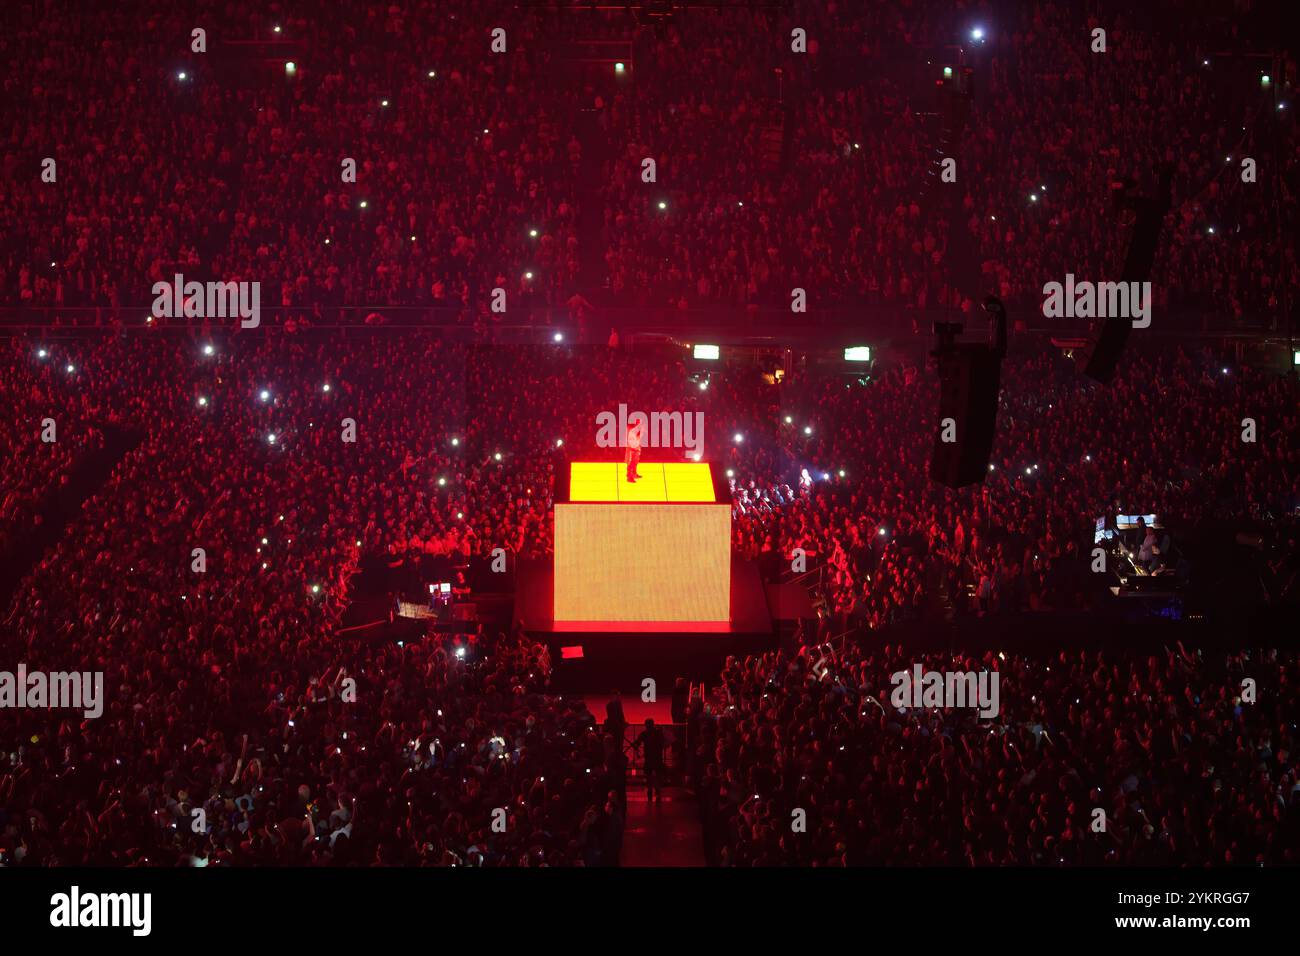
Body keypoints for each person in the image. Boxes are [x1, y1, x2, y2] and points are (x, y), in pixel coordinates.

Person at [635, 718, 666, 802]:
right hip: (657, 757)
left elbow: (637, 743)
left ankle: (650, 789)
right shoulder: (658, 733)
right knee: (658, 775)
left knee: (648, 775)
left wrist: (637, 752)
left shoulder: (644, 734)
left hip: (648, 757)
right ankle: (657, 790)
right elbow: (663, 742)